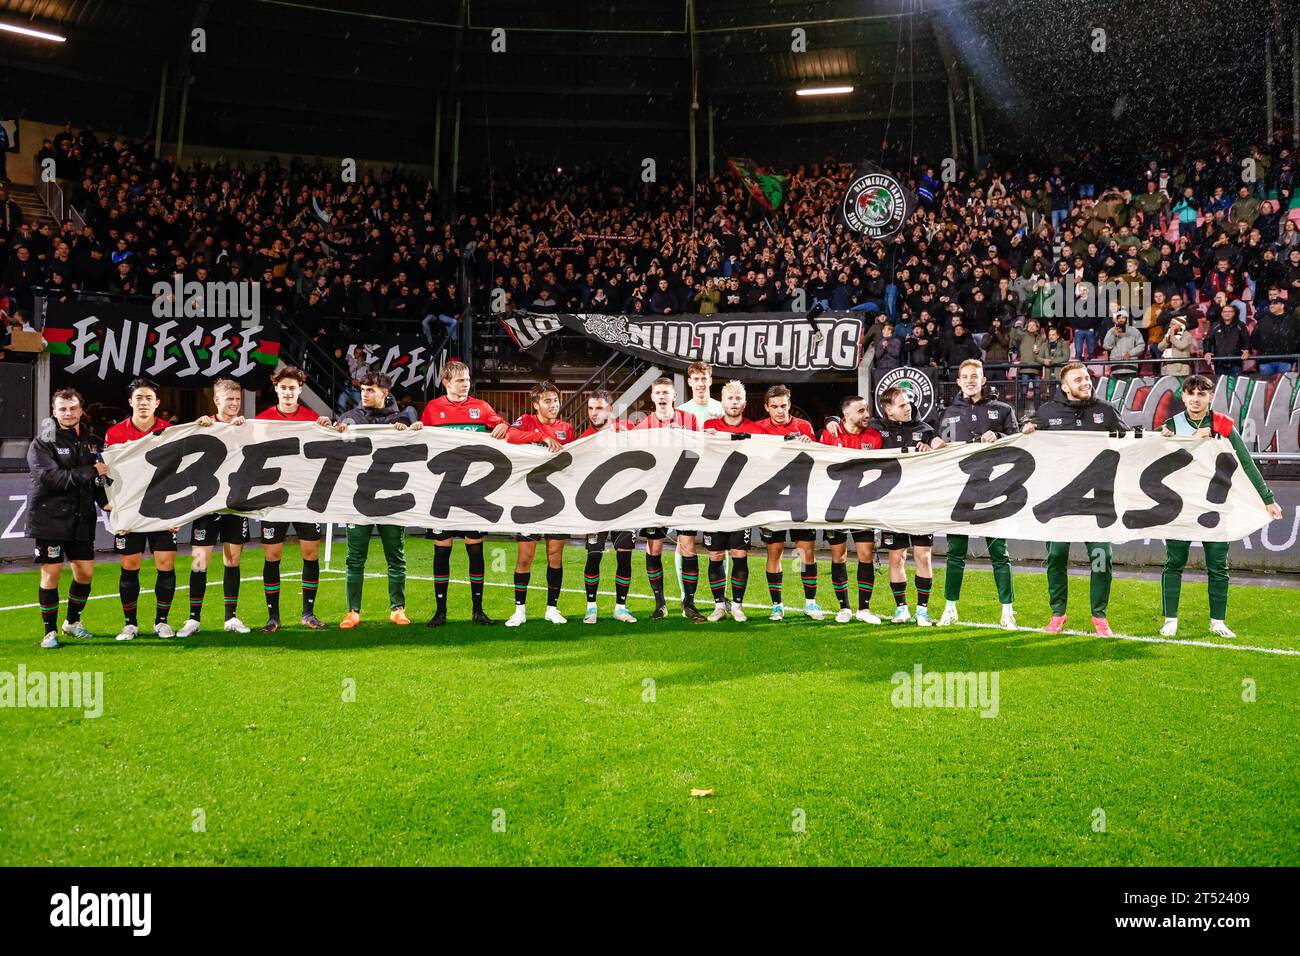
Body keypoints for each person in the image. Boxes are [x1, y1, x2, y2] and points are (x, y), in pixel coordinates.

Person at [1158, 375, 1282, 638]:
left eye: (1201, 394)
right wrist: (1173, 440)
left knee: (1218, 565)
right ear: (1183, 396)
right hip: (1180, 505)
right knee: (1174, 562)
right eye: (1190, 393)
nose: (1195, 399)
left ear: (1210, 398)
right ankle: (1170, 620)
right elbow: (1157, 463)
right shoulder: (1171, 425)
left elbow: (1246, 463)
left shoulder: (1223, 426)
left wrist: (1267, 498)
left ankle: (1218, 621)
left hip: (1215, 504)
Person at [1021, 361, 1126, 636]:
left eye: (1087, 378)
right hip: (1061, 501)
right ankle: (1058, 613)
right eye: (1078, 380)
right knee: (1056, 556)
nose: (1086, 382)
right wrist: (1028, 430)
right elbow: (1025, 434)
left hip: (1098, 499)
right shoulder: (1047, 412)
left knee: (1102, 557)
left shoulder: (1105, 410)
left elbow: (1129, 442)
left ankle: (1099, 617)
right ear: (1065, 387)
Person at [419, 359, 509, 627]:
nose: (466, 383)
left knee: (475, 550)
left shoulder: (480, 407)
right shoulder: (433, 409)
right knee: (442, 550)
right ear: (446, 382)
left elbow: (500, 425)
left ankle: (478, 610)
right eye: (460, 380)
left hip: (474, 491)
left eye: (468, 378)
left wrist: (503, 425)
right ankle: (440, 611)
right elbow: (421, 441)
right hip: (444, 492)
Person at [934, 360, 1019, 628]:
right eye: (965, 376)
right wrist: (935, 442)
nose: (970, 380)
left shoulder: (1002, 411)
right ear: (958, 382)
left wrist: (1000, 436)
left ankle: (1007, 611)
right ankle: (950, 608)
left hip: (994, 492)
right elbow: (943, 452)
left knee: (999, 553)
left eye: (975, 376)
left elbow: (1019, 447)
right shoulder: (948, 413)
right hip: (960, 493)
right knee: (955, 552)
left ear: (983, 380)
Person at [336, 371, 422, 628]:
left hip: (391, 498)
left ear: (385, 392)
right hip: (358, 498)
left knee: (396, 557)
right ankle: (353, 611)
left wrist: (413, 431)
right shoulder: (349, 418)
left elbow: (416, 447)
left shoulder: (403, 417)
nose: (365, 393)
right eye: (363, 389)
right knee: (354, 558)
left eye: (371, 389)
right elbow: (332, 445)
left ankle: (398, 609)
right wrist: (331, 429)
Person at [254, 366, 335, 633]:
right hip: (273, 497)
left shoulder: (313, 419)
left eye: (293, 388)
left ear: (300, 390)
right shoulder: (262, 420)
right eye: (283, 387)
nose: (288, 392)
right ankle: (273, 617)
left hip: (304, 497)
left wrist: (328, 430)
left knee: (310, 554)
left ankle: (308, 613)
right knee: (272, 555)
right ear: (276, 388)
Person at [28, 388, 109, 649]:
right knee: (51, 574)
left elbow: (97, 480)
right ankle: (50, 632)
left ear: (81, 409)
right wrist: (89, 470)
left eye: (73, 408)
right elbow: (50, 478)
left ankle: (72, 622)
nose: (68, 413)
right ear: (54, 411)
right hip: (49, 517)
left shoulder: (92, 440)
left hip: (82, 517)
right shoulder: (43, 441)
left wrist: (104, 502)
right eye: (62, 409)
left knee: (85, 573)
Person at [104, 378, 178, 641]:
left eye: (149, 398)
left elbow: (178, 474)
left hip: (161, 510)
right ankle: (130, 624)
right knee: (130, 565)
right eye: (139, 398)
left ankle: (162, 622)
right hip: (130, 512)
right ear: (130, 402)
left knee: (165, 563)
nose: (144, 402)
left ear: (157, 403)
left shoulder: (171, 431)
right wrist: (113, 508)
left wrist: (177, 512)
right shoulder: (114, 434)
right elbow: (108, 476)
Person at [869, 386, 948, 625]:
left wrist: (935, 447)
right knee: (897, 558)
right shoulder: (875, 428)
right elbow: (849, 427)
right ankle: (901, 608)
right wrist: (831, 420)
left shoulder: (923, 429)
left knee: (923, 556)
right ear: (888, 409)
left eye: (909, 403)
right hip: (892, 504)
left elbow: (942, 446)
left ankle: (922, 610)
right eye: (902, 405)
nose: (908, 408)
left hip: (919, 503)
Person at [505, 381, 576, 627]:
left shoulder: (567, 428)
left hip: (557, 500)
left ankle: (552, 608)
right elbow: (510, 436)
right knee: (525, 556)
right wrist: (541, 436)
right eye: (547, 401)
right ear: (536, 404)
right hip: (528, 499)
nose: (554, 405)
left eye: (555, 400)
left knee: (555, 556)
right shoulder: (525, 421)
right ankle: (519, 610)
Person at [185, 379, 251, 635]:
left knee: (232, 560)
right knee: (199, 561)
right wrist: (200, 429)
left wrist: (244, 430)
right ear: (217, 401)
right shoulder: (205, 426)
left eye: (237, 400)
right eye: (229, 399)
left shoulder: (246, 427)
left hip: (235, 505)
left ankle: (231, 618)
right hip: (208, 504)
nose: (234, 404)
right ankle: (193, 619)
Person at [751, 384, 823, 622]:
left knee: (806, 552)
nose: (780, 411)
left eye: (783, 406)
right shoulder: (758, 429)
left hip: (800, 498)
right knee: (775, 551)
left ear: (789, 405)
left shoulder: (804, 427)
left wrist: (809, 444)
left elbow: (818, 458)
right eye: (774, 407)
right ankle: (777, 605)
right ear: (766, 407)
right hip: (771, 499)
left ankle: (810, 603)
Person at [633, 377, 702, 621]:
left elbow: (700, 451)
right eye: (658, 393)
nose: (662, 397)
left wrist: (683, 437)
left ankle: (689, 604)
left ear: (674, 397)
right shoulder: (643, 426)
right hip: (655, 494)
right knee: (654, 548)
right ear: (652, 397)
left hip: (684, 492)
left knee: (688, 546)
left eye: (666, 393)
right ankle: (659, 604)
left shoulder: (689, 420)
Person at [819, 395, 884, 624]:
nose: (866, 415)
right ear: (846, 415)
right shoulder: (830, 434)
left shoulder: (874, 437)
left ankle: (864, 609)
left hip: (863, 505)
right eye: (860, 411)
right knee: (839, 555)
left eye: (866, 410)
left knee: (865, 554)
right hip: (835, 505)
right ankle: (844, 607)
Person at [701, 380, 757, 622]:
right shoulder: (709, 426)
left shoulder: (756, 430)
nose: (734, 402)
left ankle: (737, 605)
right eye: (729, 398)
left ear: (744, 403)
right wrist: (705, 440)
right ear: (721, 402)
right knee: (715, 554)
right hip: (713, 500)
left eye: (738, 398)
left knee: (738, 552)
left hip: (740, 501)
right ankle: (718, 605)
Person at [579, 390, 637, 624]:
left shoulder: (628, 430)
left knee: (624, 557)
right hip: (596, 508)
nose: (594, 413)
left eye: (599, 408)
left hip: (626, 507)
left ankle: (620, 608)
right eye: (591, 408)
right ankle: (591, 607)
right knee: (594, 556)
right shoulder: (584, 439)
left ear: (610, 409)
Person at [1201, 303, 1250, 378]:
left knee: (1235, 386)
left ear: (1233, 313)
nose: (1227, 313)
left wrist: (1246, 350)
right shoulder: (1215, 325)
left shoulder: (1240, 325)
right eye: (1224, 311)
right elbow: (1208, 339)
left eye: (1229, 311)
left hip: (1235, 362)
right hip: (1219, 362)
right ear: (1221, 314)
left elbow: (1246, 339)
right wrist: (1207, 351)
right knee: (1221, 387)